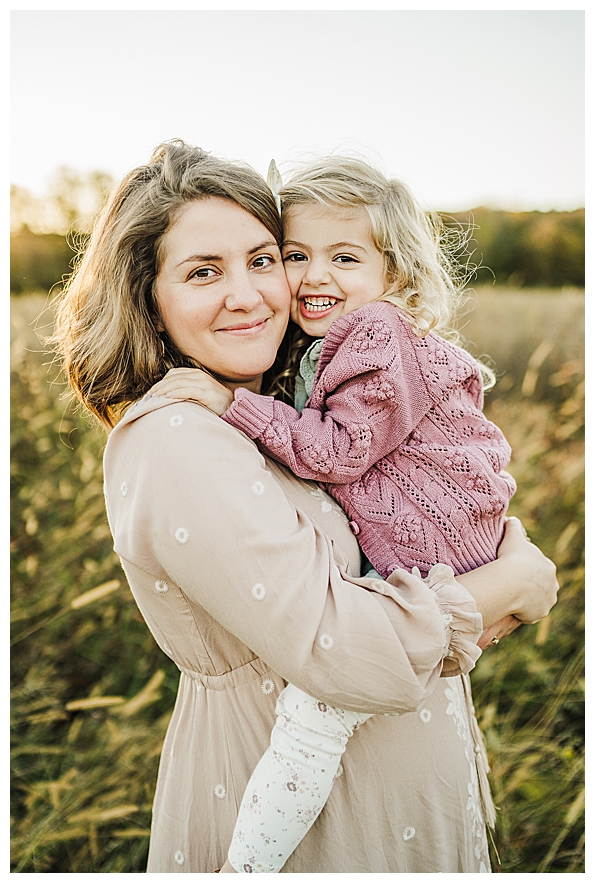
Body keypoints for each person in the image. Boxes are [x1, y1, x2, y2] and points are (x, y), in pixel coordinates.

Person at [51, 140, 558, 874]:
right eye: (202, 272)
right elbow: (344, 649)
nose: (250, 293)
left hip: (399, 805)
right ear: (148, 301)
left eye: (262, 259)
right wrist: (512, 581)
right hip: (313, 832)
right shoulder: (178, 434)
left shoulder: (278, 397)